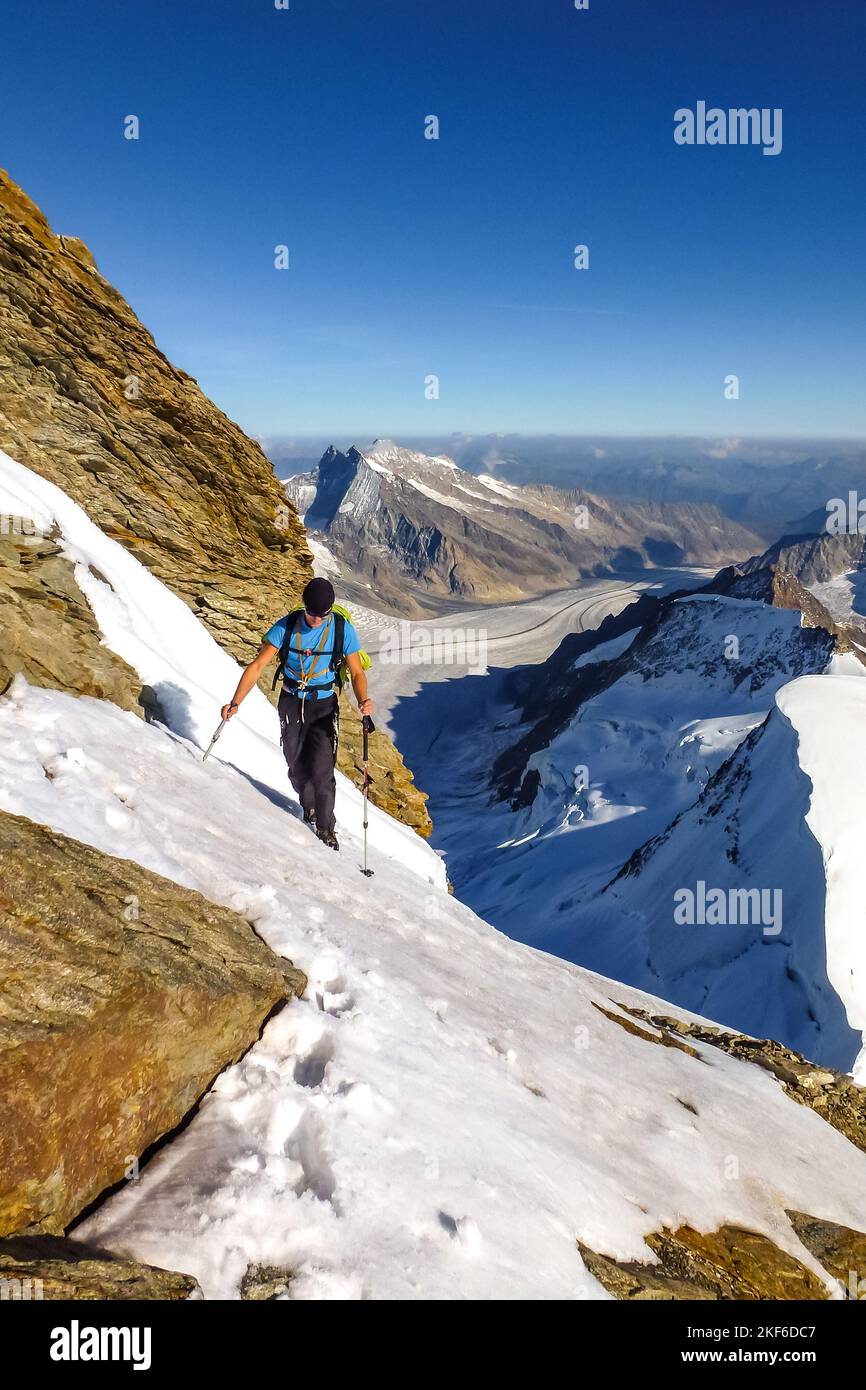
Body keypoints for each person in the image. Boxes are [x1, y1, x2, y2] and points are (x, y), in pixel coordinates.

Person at [221, 577, 374, 851]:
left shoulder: (342, 629)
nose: (317, 619)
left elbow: (357, 671)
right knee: (296, 765)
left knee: (323, 770)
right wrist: (235, 702)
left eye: (323, 614)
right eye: (313, 613)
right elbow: (257, 666)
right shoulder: (287, 626)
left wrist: (364, 700)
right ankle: (309, 807)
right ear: (304, 605)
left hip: (324, 705)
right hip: (291, 701)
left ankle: (326, 828)